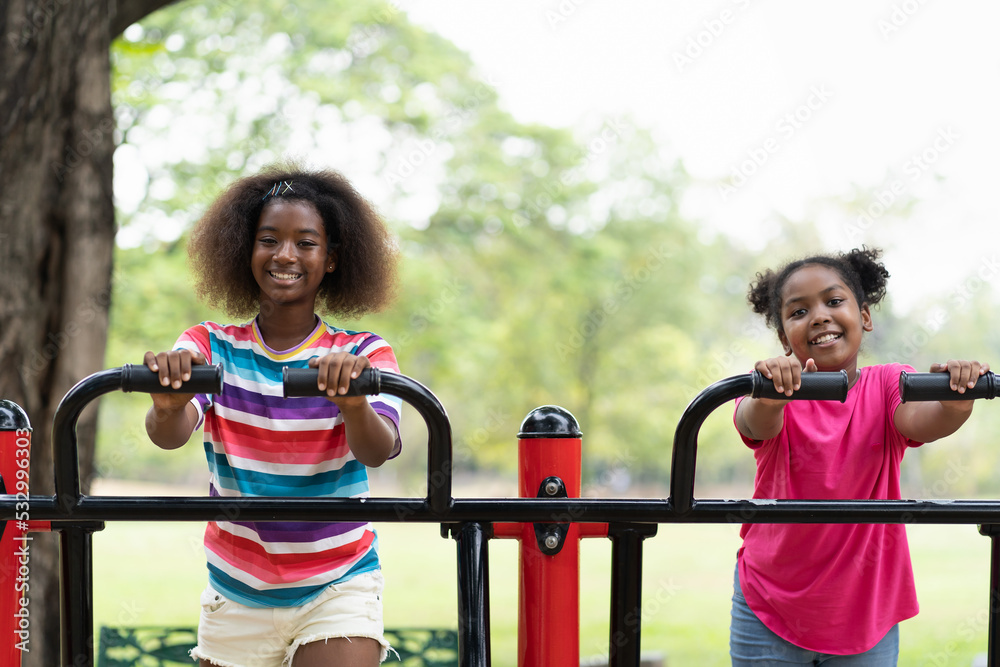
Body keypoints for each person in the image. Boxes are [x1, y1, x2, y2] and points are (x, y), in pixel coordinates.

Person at [142, 165, 402, 667]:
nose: (285, 255)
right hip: (237, 588)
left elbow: (379, 448)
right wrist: (167, 405)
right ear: (246, 250)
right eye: (269, 240)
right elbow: (168, 435)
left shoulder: (363, 351)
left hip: (337, 582)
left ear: (331, 260)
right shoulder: (208, 345)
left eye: (306, 243)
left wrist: (352, 402)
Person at [730, 246, 988, 666]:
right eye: (798, 312)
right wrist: (771, 394)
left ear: (864, 317)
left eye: (834, 301)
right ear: (784, 338)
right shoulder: (772, 392)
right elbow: (753, 422)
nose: (818, 316)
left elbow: (923, 420)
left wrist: (956, 402)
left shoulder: (888, 383)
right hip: (768, 602)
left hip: (865, 610)